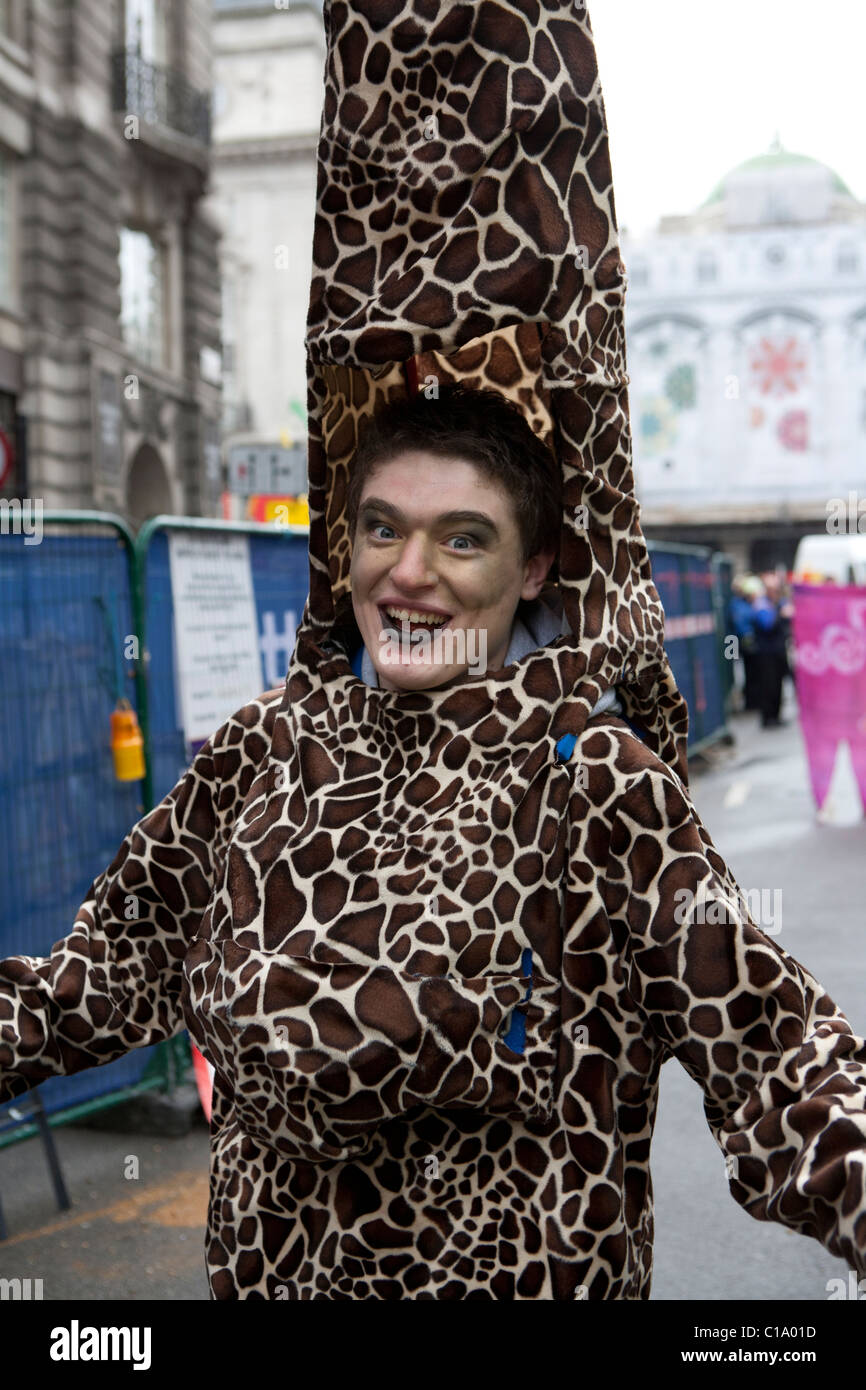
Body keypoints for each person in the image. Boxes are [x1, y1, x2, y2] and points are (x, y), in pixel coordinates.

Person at [2, 2, 865, 1302]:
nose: (409, 570)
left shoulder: (600, 789)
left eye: (460, 538)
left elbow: (789, 1073)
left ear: (532, 567)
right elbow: (84, 987)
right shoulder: (257, 761)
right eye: (381, 528)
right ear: (338, 549)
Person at [753, 570, 793, 728]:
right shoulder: (762, 604)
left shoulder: (779, 602)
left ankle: (776, 716)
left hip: (778, 651)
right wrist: (779, 613)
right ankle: (768, 717)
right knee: (768, 686)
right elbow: (767, 625)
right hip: (766, 653)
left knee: (778, 685)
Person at [728, 575, 761, 712]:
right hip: (734, 642)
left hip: (734, 641)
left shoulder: (741, 604)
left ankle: (746, 700)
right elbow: (741, 624)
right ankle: (740, 700)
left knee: (745, 671)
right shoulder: (737, 604)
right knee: (737, 670)